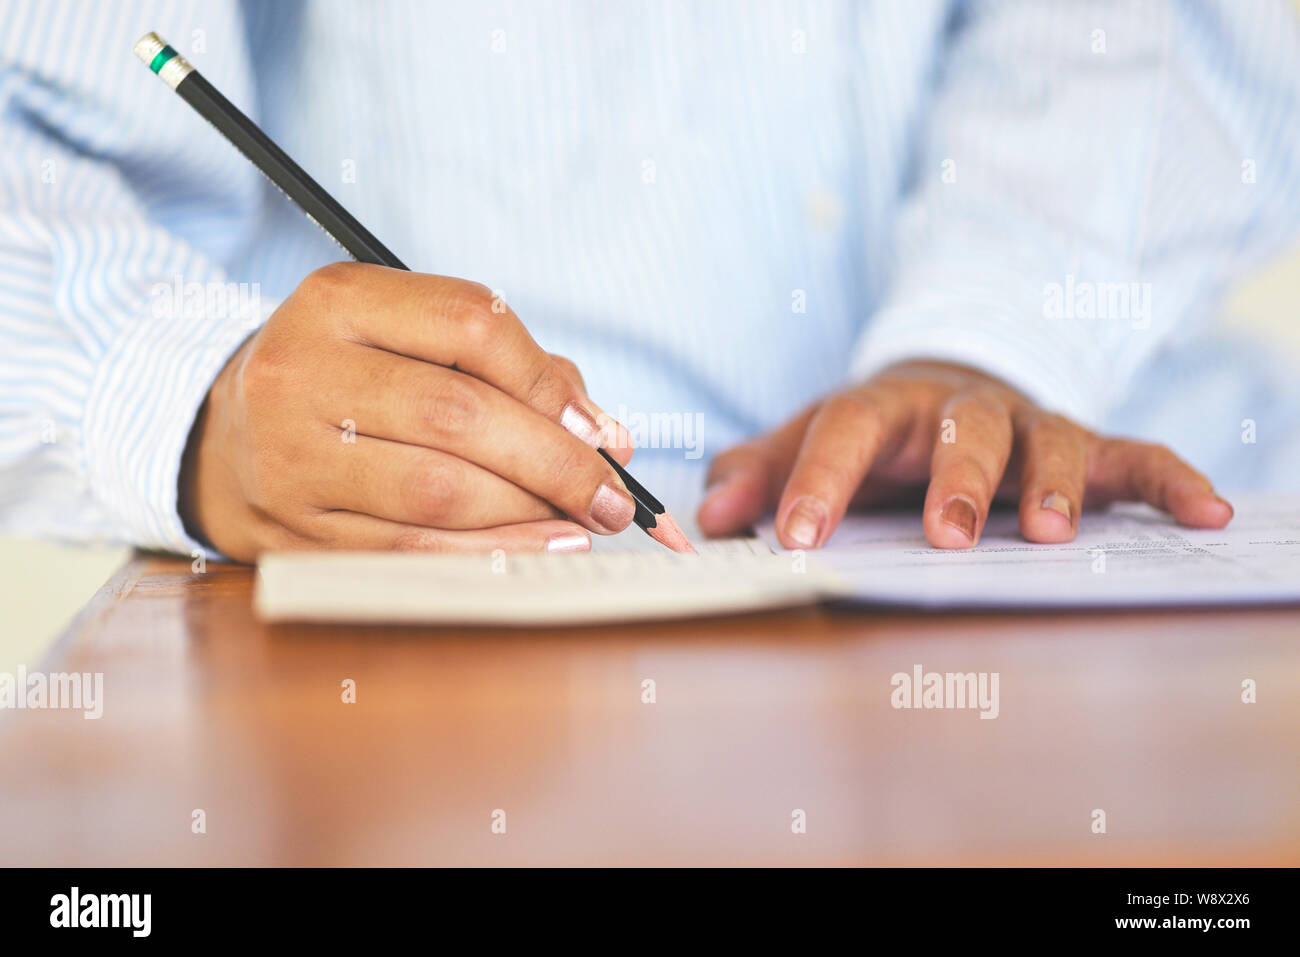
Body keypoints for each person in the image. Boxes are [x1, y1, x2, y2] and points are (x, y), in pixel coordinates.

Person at [2, 0, 1297, 563]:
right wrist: (200, 400)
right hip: (392, 576)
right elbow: (31, 127)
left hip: (1085, 493)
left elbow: (1188, 32)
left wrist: (999, 340)